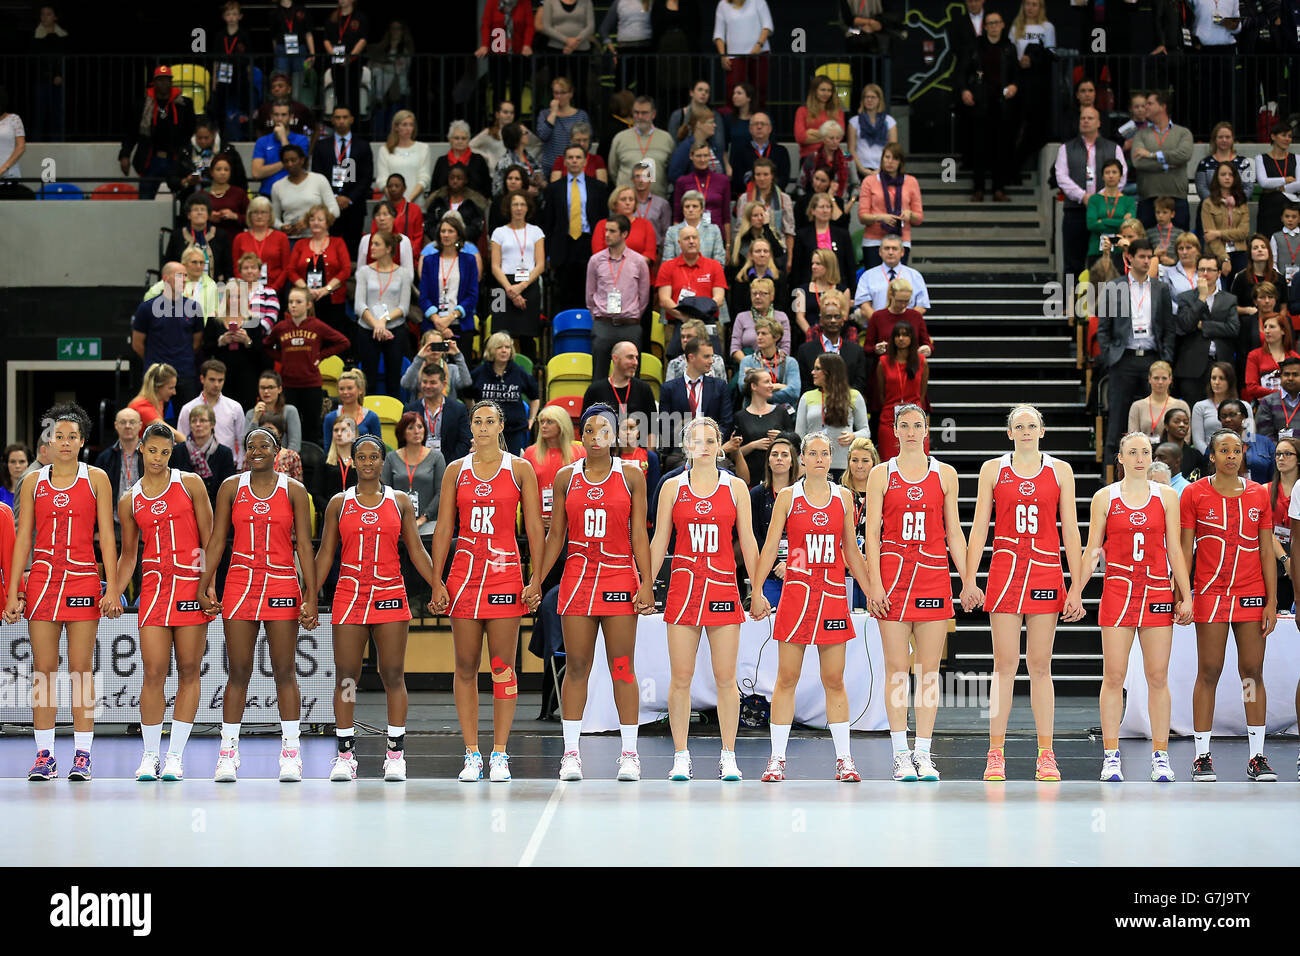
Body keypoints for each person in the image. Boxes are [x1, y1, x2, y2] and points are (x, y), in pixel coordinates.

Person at [527, 405, 654, 780]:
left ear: (614, 435)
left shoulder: (631, 475)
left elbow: (639, 534)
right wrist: (536, 580)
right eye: (589, 429)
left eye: (604, 429)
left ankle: (629, 754)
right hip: (578, 580)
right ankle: (571, 754)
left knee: (622, 667)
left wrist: (647, 581)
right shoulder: (565, 477)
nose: (596, 435)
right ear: (580, 435)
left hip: (619, 579)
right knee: (577, 666)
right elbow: (555, 536)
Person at [964, 405, 1086, 781]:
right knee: (1004, 665)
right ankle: (995, 753)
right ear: (1010, 433)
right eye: (1020, 426)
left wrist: (1077, 587)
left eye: (1033, 425)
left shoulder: (1061, 470)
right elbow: (979, 527)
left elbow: (1070, 531)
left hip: (1046, 571)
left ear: (1042, 431)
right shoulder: (993, 469)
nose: (1027, 431)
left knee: (1040, 666)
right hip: (1005, 571)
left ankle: (1046, 753)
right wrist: (969, 579)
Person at [429, 401, 545, 783]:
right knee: (465, 667)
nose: (482, 427)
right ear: (470, 427)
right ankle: (471, 753)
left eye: (489, 421)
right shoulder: (455, 470)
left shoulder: (520, 468)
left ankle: (500, 753)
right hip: (463, 578)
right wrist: (436, 579)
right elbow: (443, 528)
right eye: (477, 421)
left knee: (502, 667)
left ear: (501, 426)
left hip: (504, 576)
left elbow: (534, 528)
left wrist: (536, 578)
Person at [3, 405, 120, 782]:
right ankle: (45, 755)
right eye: (59, 436)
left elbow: (107, 538)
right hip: (41, 583)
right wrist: (12, 593)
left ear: (82, 441)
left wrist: (113, 587)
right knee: (43, 671)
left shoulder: (97, 478)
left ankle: (82, 755)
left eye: (72, 436)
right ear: (48, 442)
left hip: (83, 581)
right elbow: (23, 538)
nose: (65, 442)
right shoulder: (33, 482)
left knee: (81, 670)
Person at [752, 431, 875, 782]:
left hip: (833, 597)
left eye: (825, 453)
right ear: (802, 459)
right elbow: (770, 546)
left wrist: (871, 592)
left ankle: (845, 760)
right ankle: (777, 759)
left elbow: (852, 552)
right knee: (786, 678)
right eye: (813, 453)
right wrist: (757, 589)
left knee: (834, 679)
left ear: (831, 458)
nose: (820, 459)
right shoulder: (788, 497)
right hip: (796, 596)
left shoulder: (844, 497)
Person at [315, 434, 437, 782]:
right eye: (362, 457)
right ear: (352, 461)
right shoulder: (339, 503)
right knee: (347, 677)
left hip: (389, 595)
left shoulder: (399, 501)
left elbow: (416, 550)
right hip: (349, 596)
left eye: (374, 457)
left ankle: (395, 754)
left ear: (384, 462)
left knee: (393, 675)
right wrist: (310, 594)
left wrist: (437, 584)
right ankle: (345, 755)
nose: (368, 462)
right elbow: (326, 553)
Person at [864, 404, 976, 781]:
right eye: (904, 425)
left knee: (929, 673)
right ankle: (900, 754)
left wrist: (968, 580)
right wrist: (874, 584)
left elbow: (954, 532)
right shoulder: (881, 474)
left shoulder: (945, 474)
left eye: (917, 425)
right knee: (897, 670)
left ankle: (924, 753)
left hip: (932, 578)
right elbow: (872, 535)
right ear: (895, 431)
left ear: (927, 430)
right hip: (892, 580)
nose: (911, 431)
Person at [648, 416, 764, 781]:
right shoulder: (672, 487)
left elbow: (749, 541)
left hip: (723, 589)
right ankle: (681, 755)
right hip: (684, 590)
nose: (703, 446)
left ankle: (728, 755)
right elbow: (659, 540)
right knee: (681, 678)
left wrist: (757, 589)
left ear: (719, 446)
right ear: (687, 446)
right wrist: (645, 584)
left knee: (726, 678)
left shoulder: (736, 487)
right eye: (696, 441)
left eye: (710, 441)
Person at [197, 427, 316, 782]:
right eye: (251, 446)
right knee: (238, 671)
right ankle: (228, 754)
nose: (257, 450)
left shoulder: (294, 490)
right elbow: (217, 540)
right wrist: (204, 585)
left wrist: (311, 594)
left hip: (281, 582)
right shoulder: (230, 487)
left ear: (277, 451)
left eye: (264, 445)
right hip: (240, 583)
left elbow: (304, 545)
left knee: (284, 670)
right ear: (245, 452)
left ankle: (291, 753)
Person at [1080, 431, 1192, 782]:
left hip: (1156, 590)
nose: (1140, 458)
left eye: (1145, 452)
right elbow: (1092, 551)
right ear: (1121, 458)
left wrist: (1186, 595)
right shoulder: (1105, 497)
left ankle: (1161, 756)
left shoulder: (1167, 496)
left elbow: (1175, 549)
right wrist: (1075, 591)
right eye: (1133, 452)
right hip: (1118, 591)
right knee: (1114, 676)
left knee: (1157, 676)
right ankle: (1111, 756)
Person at [111, 423, 213, 781]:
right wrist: (114, 591)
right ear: (141, 448)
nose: (158, 458)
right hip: (154, 591)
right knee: (153, 671)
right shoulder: (129, 499)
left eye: (165, 452)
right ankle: (150, 755)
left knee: (189, 669)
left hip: (191, 587)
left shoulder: (191, 483)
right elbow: (128, 555)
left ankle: (175, 757)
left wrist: (208, 585)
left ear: (172, 452)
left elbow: (209, 539)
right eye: (152, 451)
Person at [1180, 428, 1279, 782]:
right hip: (1210, 594)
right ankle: (1201, 757)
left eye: (1237, 450)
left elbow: (1266, 550)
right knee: (1209, 670)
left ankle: (1257, 756)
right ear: (1212, 455)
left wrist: (1271, 601)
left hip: (1251, 594)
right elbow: (1185, 549)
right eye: (1224, 450)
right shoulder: (1193, 493)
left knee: (1251, 671)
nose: (1231, 456)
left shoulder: (1258, 494)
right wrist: (1184, 594)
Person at [1097, 239, 1174, 465]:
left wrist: (1166, 358)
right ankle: (1111, 472)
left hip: (1152, 358)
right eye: (1142, 256)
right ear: (1129, 258)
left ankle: (1156, 469)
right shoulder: (1115, 287)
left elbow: (1169, 327)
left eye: (1149, 257)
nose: (1146, 261)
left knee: (1154, 417)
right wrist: (1110, 356)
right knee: (1118, 417)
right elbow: (1104, 328)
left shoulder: (1161, 288)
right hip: (1124, 358)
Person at [264, 286, 351, 447]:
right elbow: (266, 346)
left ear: (308, 304)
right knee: (288, 428)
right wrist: (283, 358)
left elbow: (343, 342)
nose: (293, 305)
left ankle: (312, 460)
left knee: (312, 428)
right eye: (291, 302)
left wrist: (320, 356)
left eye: (298, 302)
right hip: (288, 385)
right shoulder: (281, 327)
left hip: (311, 384)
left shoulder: (317, 325)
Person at [1055, 107, 1126, 280]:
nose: (1085, 121)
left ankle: (1103, 297)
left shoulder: (1113, 148)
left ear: (1099, 122)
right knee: (1072, 262)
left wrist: (1099, 199)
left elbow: (1121, 175)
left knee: (1104, 259)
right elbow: (1061, 176)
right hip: (1075, 211)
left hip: (1105, 213)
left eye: (1090, 118)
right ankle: (1070, 297)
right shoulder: (1066, 148)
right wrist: (1083, 196)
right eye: (1083, 118)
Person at [585, 213, 652, 380]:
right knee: (599, 377)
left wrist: (632, 315)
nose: (607, 235)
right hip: (603, 323)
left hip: (629, 325)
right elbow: (590, 295)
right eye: (606, 230)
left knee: (632, 377)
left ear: (624, 234)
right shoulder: (595, 260)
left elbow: (644, 296)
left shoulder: (639, 262)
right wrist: (599, 317)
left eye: (612, 231)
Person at [544, 144, 609, 312]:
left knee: (588, 289)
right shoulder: (554, 188)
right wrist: (548, 253)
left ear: (585, 161)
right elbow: (549, 222)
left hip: (589, 243)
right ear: (565, 162)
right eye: (570, 157)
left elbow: (604, 220)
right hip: (563, 244)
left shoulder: (598, 187)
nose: (574, 161)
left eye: (578, 157)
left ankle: (586, 324)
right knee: (564, 292)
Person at [381, 412, 446, 576]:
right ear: (402, 432)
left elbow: (441, 492)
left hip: (428, 527)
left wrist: (423, 519)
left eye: (420, 427)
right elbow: (385, 491)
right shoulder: (391, 458)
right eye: (411, 427)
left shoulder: (436, 457)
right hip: (398, 526)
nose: (417, 431)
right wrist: (400, 521)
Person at [132, 263, 204, 409]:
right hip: (156, 376)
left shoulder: (194, 307)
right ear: (165, 278)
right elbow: (137, 344)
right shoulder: (146, 308)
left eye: (185, 276)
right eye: (179, 275)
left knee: (189, 418)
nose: (184, 279)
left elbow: (197, 343)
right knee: (152, 418)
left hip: (185, 373)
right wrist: (154, 361)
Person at [119, 66, 196, 200]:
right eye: (160, 80)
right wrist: (125, 155)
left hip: (175, 158)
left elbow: (191, 131)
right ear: (154, 83)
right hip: (150, 159)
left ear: (171, 82)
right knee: (145, 199)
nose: (164, 83)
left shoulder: (184, 104)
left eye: (167, 80)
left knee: (183, 198)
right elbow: (132, 133)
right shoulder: (143, 105)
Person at [657, 337, 734, 470]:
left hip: (712, 450)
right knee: (683, 469)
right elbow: (665, 426)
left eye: (712, 356)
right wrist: (689, 442)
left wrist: (709, 441)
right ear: (691, 357)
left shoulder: (720, 386)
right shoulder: (669, 388)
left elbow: (726, 422)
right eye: (706, 356)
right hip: (681, 451)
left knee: (722, 469)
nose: (711, 361)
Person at [352, 231, 411, 399]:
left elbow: (404, 307)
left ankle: (395, 413)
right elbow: (359, 305)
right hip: (367, 329)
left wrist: (384, 321)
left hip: (394, 329)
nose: (371, 247)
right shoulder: (364, 272)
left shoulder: (403, 273)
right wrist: (376, 324)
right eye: (372, 243)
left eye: (376, 244)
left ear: (388, 248)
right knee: (368, 380)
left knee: (394, 381)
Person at [490, 191, 546, 361]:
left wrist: (521, 287)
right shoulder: (499, 232)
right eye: (515, 204)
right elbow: (495, 266)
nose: (519, 208)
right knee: (499, 334)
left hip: (528, 284)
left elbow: (540, 265)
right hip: (502, 286)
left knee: (527, 335)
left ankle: (528, 373)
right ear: (509, 208)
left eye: (522, 204)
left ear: (528, 208)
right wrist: (510, 290)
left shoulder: (536, 231)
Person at [312, 105, 374, 257]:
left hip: (354, 205)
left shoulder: (363, 145)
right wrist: (333, 197)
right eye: (337, 117)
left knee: (353, 248)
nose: (341, 121)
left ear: (351, 119)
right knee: (329, 247)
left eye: (345, 117)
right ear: (332, 120)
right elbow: (317, 175)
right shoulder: (321, 146)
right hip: (329, 206)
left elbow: (366, 177)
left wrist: (349, 198)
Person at [657, 225, 729, 354]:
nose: (691, 241)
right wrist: (685, 318)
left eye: (694, 238)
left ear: (699, 241)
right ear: (679, 243)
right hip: (677, 324)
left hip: (708, 324)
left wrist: (701, 317)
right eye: (686, 238)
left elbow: (719, 299)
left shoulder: (714, 266)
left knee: (712, 363)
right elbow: (664, 300)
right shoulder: (667, 267)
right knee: (675, 364)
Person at [286, 203, 352, 343]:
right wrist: (306, 289)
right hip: (306, 302)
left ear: (327, 223)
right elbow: (291, 270)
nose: (316, 223)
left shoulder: (338, 243)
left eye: (320, 219)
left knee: (332, 340)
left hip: (333, 301)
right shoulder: (300, 244)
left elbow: (346, 270)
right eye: (312, 219)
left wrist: (326, 289)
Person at [1130, 91, 1193, 230]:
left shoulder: (1183, 133)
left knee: (1180, 241)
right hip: (1148, 198)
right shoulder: (1141, 135)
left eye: (1150, 103)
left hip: (1176, 198)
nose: (1145, 107)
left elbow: (1184, 155)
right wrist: (1168, 165)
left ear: (1163, 106)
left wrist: (1151, 155)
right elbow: (1138, 162)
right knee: (1146, 241)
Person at [418, 214, 480, 352]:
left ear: (458, 235)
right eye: (443, 231)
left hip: (460, 325)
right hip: (434, 326)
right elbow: (423, 296)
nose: (446, 235)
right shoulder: (429, 261)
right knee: (435, 363)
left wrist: (450, 318)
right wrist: (438, 321)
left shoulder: (469, 261)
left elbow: (472, 295)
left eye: (450, 231)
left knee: (460, 363)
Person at [470, 332, 539, 456]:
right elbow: (467, 395)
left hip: (514, 431)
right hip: (485, 430)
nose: (504, 351)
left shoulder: (519, 372)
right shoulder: (479, 373)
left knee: (511, 464)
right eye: (499, 347)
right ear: (491, 350)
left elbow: (535, 397)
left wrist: (531, 419)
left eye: (507, 347)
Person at [857, 144, 923, 269]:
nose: (890, 162)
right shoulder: (870, 181)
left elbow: (919, 218)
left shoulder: (911, 182)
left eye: (895, 158)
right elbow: (862, 216)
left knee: (898, 279)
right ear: (882, 159)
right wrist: (881, 217)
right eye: (887, 157)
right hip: (874, 240)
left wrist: (909, 214)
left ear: (900, 162)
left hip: (901, 240)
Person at [796, 290, 870, 397]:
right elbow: (805, 384)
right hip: (816, 402)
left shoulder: (856, 351)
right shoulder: (805, 350)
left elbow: (860, 383)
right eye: (828, 317)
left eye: (837, 317)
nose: (833, 320)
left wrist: (843, 397)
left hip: (847, 400)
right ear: (821, 321)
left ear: (843, 321)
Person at [874, 321, 929, 460]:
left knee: (918, 461)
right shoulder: (883, 362)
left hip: (915, 417)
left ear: (911, 338)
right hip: (889, 419)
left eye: (905, 335)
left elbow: (922, 393)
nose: (901, 338)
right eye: (897, 335)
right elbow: (881, 393)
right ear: (892, 339)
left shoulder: (921, 361)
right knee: (889, 462)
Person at [177, 359, 247, 466]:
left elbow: (242, 440)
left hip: (228, 464)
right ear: (202, 379)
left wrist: (240, 465)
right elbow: (182, 441)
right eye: (212, 380)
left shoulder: (235, 407)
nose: (216, 384)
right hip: (195, 464)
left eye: (220, 380)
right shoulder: (188, 409)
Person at [582, 340, 658, 436]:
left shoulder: (644, 389)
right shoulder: (595, 390)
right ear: (615, 358)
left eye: (636, 358)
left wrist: (648, 447)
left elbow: (652, 430)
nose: (635, 362)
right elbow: (586, 429)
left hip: (637, 445)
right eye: (630, 357)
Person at [404, 362, 471, 462]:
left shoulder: (458, 409)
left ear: (444, 384)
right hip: (417, 464)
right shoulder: (410, 409)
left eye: (432, 382)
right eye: (424, 382)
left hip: (450, 463)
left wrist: (449, 466)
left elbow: (465, 442)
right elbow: (404, 440)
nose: (427, 386)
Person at [170, 405, 238, 505]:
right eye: (194, 421)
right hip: (183, 506)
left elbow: (228, 489)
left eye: (202, 420)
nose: (198, 424)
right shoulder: (177, 451)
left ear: (212, 424)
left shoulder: (224, 453)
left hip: (215, 507)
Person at [271, 145, 338, 244]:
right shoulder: (277, 186)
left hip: (318, 237)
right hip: (291, 239)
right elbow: (274, 218)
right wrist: (282, 226)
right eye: (286, 161)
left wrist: (312, 221)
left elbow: (335, 210)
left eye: (293, 160)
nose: (290, 164)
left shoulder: (319, 179)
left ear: (302, 160)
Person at [789, 193, 855, 290]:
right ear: (813, 210)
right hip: (809, 287)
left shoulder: (842, 234)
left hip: (837, 287)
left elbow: (850, 265)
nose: (825, 210)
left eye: (828, 207)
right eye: (821, 207)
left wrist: (852, 291)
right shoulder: (802, 235)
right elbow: (797, 268)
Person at [854, 236, 931, 319]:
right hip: (877, 324)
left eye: (894, 249)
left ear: (902, 252)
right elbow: (864, 305)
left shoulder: (915, 276)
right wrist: (879, 322)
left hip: (906, 325)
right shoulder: (867, 276)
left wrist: (904, 322)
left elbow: (921, 306)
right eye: (886, 248)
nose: (890, 252)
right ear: (880, 252)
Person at [735, 311, 799, 406]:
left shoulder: (790, 362)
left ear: (776, 337)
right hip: (755, 411)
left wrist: (759, 391)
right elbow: (744, 388)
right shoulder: (747, 361)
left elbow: (794, 392)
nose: (759, 337)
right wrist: (778, 386)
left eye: (764, 334)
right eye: (758, 333)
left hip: (782, 412)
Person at [672, 141, 733, 240]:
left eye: (705, 155)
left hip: (716, 236)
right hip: (690, 237)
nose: (702, 159)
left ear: (710, 157)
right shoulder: (682, 182)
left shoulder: (723, 180)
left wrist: (728, 244)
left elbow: (726, 217)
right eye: (698, 156)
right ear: (691, 156)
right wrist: (677, 241)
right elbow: (677, 217)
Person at [231, 196, 292, 295]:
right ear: (249, 215)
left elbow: (286, 268)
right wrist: (247, 289)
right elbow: (236, 268)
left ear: (270, 215)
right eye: (255, 212)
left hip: (275, 290)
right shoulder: (240, 238)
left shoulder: (281, 237)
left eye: (263, 212)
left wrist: (273, 289)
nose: (259, 216)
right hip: (247, 291)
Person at [166, 195, 233, 282]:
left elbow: (228, 267)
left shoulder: (220, 235)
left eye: (203, 209)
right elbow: (169, 265)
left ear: (208, 215)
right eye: (195, 210)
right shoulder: (177, 235)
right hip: (183, 286)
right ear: (189, 215)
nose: (199, 212)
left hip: (215, 285)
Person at [94, 409, 144, 524]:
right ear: (116, 425)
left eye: (132, 422)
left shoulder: (150, 455)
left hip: (145, 524)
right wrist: (97, 528)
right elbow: (95, 495)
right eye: (123, 422)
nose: (127, 426)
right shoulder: (105, 458)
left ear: (140, 425)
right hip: (114, 523)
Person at [250, 101, 309, 198]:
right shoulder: (262, 141)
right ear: (271, 117)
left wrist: (283, 139)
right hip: (268, 194)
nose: (280, 119)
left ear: (291, 117)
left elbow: (299, 168)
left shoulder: (301, 140)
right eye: (276, 115)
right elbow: (256, 173)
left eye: (283, 115)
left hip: (294, 194)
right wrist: (286, 163)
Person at [1200, 163, 1251, 277]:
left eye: (1230, 174)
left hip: (1239, 251)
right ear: (1217, 178)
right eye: (1223, 174)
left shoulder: (1242, 202)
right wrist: (1224, 258)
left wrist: (1218, 233)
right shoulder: (1208, 203)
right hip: (1216, 253)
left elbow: (1243, 232)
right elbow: (1209, 236)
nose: (1227, 177)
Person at [1191, 361, 1252, 453]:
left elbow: (1250, 437)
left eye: (1221, 378)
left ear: (1230, 381)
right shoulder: (1200, 407)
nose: (1216, 382)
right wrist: (1213, 456)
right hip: (1209, 456)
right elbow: (1197, 441)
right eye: (1213, 378)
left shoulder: (1245, 406)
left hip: (1239, 456)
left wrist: (1238, 456)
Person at [372, 110, 431, 205]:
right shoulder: (385, 149)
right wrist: (396, 202)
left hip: (415, 204)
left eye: (411, 125)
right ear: (396, 127)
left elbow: (424, 178)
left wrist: (408, 201)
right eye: (404, 125)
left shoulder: (423, 148)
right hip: (391, 205)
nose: (408, 128)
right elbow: (382, 180)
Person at [1254, 122, 1300, 240]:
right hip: (1269, 207)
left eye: (1290, 136)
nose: (1287, 139)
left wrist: (1279, 187)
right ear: (1273, 136)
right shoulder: (1261, 158)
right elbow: (1263, 182)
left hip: (1290, 206)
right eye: (1283, 135)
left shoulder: (1296, 158)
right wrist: (1285, 180)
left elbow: (1299, 184)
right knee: (1267, 241)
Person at [1213, 399, 1276, 484]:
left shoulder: (1264, 442)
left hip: (1261, 489)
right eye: (1223, 416)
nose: (1227, 419)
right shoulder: (1215, 444)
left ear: (1243, 416)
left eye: (1232, 415)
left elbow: (1275, 474)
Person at [1085, 160, 1136, 265]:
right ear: (1102, 176)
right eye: (1107, 172)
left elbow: (1129, 226)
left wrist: (1103, 221)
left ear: (1120, 176)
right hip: (1096, 249)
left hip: (1120, 250)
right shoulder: (1094, 199)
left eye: (1114, 172)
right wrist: (1121, 222)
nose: (1111, 176)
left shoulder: (1129, 201)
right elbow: (1091, 225)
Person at [1126, 360, 1191, 441]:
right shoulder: (1137, 406)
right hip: (1144, 448)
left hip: (1173, 448)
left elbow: (1186, 437)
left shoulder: (1181, 405)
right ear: (1149, 379)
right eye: (1156, 378)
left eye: (1164, 378)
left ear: (1170, 380)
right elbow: (1132, 437)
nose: (1160, 382)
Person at [322, 368, 383, 450]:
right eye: (341, 389)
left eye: (349, 388)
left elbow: (379, 449)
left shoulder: (372, 417)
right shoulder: (330, 418)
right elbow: (327, 449)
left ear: (360, 390)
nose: (345, 392)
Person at [730, 112, 790, 195]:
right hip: (748, 196)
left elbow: (784, 179)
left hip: (774, 195)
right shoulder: (740, 151)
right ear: (750, 129)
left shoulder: (781, 151)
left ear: (770, 129)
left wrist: (767, 190)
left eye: (763, 124)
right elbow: (737, 180)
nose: (759, 127)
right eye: (756, 124)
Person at [1194, 121, 1255, 203]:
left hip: (1237, 208)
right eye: (1220, 137)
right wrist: (1219, 202)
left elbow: (1249, 188)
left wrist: (1234, 201)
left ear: (1233, 139)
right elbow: (1201, 188)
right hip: (1211, 208)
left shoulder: (1245, 163)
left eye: (1227, 137)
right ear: (1214, 139)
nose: (1224, 140)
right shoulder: (1204, 163)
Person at [1270, 436, 1298, 611]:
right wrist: (1286, 560)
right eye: (1278, 454)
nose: (1281, 458)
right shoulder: (1264, 490)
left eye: (1287, 454)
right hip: (1273, 563)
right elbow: (1264, 531)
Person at [1232, 233, 1285, 324]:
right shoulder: (1241, 278)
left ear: (1269, 252)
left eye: (1263, 247)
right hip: (1248, 324)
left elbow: (1284, 308)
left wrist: (1278, 322)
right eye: (1255, 248)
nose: (1260, 250)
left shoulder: (1279, 278)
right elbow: (1233, 308)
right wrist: (1247, 310)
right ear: (1250, 254)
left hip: (1274, 324)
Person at [1245, 314, 1300, 403]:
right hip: (1265, 406)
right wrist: (1281, 394)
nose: (1267, 331)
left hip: (1291, 406)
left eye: (1272, 327)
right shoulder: (1254, 355)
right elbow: (1251, 388)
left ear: (1283, 331)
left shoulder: (1295, 357)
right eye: (1265, 327)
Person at [663, 190, 727, 265]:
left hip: (708, 272)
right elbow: (668, 261)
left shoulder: (714, 230)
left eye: (695, 206)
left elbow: (719, 260)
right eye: (687, 206)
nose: (690, 210)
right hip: (679, 272)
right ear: (683, 210)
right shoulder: (672, 232)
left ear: (702, 210)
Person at [244, 371, 302, 451]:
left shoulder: (290, 411)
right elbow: (246, 444)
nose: (266, 391)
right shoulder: (251, 413)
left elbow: (295, 444)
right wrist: (255, 419)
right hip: (257, 457)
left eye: (270, 387)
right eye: (262, 388)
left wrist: (283, 457)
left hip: (285, 457)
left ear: (279, 389)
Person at [203, 156, 250, 251]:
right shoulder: (202, 194)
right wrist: (207, 217)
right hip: (208, 241)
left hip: (234, 240)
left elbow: (251, 218)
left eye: (226, 169)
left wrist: (235, 216)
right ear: (211, 172)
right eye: (218, 169)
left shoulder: (239, 193)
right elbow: (191, 217)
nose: (222, 173)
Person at [128, 363, 184, 439]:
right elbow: (171, 434)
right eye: (171, 388)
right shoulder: (142, 405)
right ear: (157, 387)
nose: (174, 392)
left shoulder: (159, 401)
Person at [1255, 356, 1300, 440]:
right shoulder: (1268, 402)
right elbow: (1265, 438)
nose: (1290, 378)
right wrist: (1284, 448)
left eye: (1295, 374)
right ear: (1280, 377)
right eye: (1286, 374)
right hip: (1276, 448)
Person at [471, 100, 515, 170]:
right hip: (494, 173)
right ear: (497, 115)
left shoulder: (518, 133)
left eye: (511, 113)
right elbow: (470, 146)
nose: (509, 115)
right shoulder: (489, 133)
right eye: (505, 112)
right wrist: (487, 157)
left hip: (512, 173)